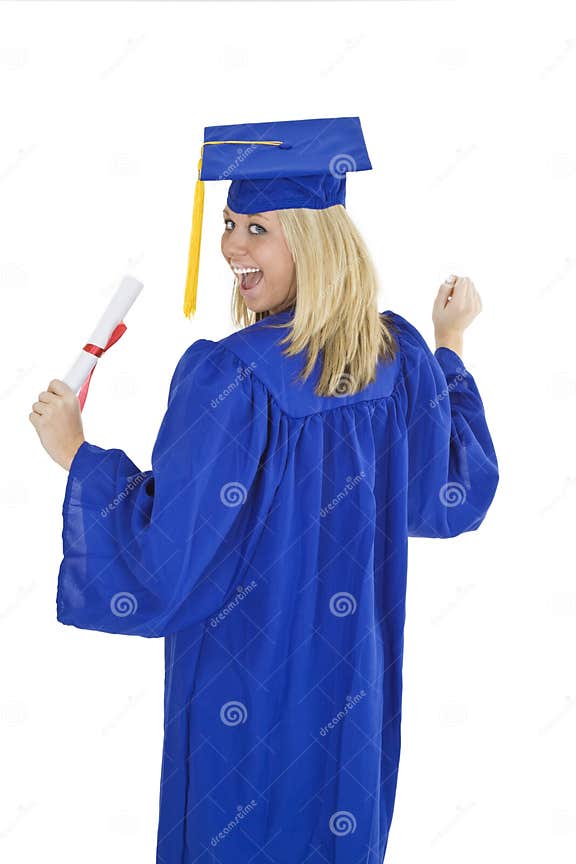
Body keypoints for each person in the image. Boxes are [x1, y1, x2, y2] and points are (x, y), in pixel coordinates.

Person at [28, 117, 499, 864]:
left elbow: (167, 554)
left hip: (240, 689)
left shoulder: (232, 375)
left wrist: (79, 455)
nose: (231, 248)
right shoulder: (397, 355)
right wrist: (450, 346)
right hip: (351, 688)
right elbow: (447, 494)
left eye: (257, 229)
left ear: (315, 242)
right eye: (228, 224)